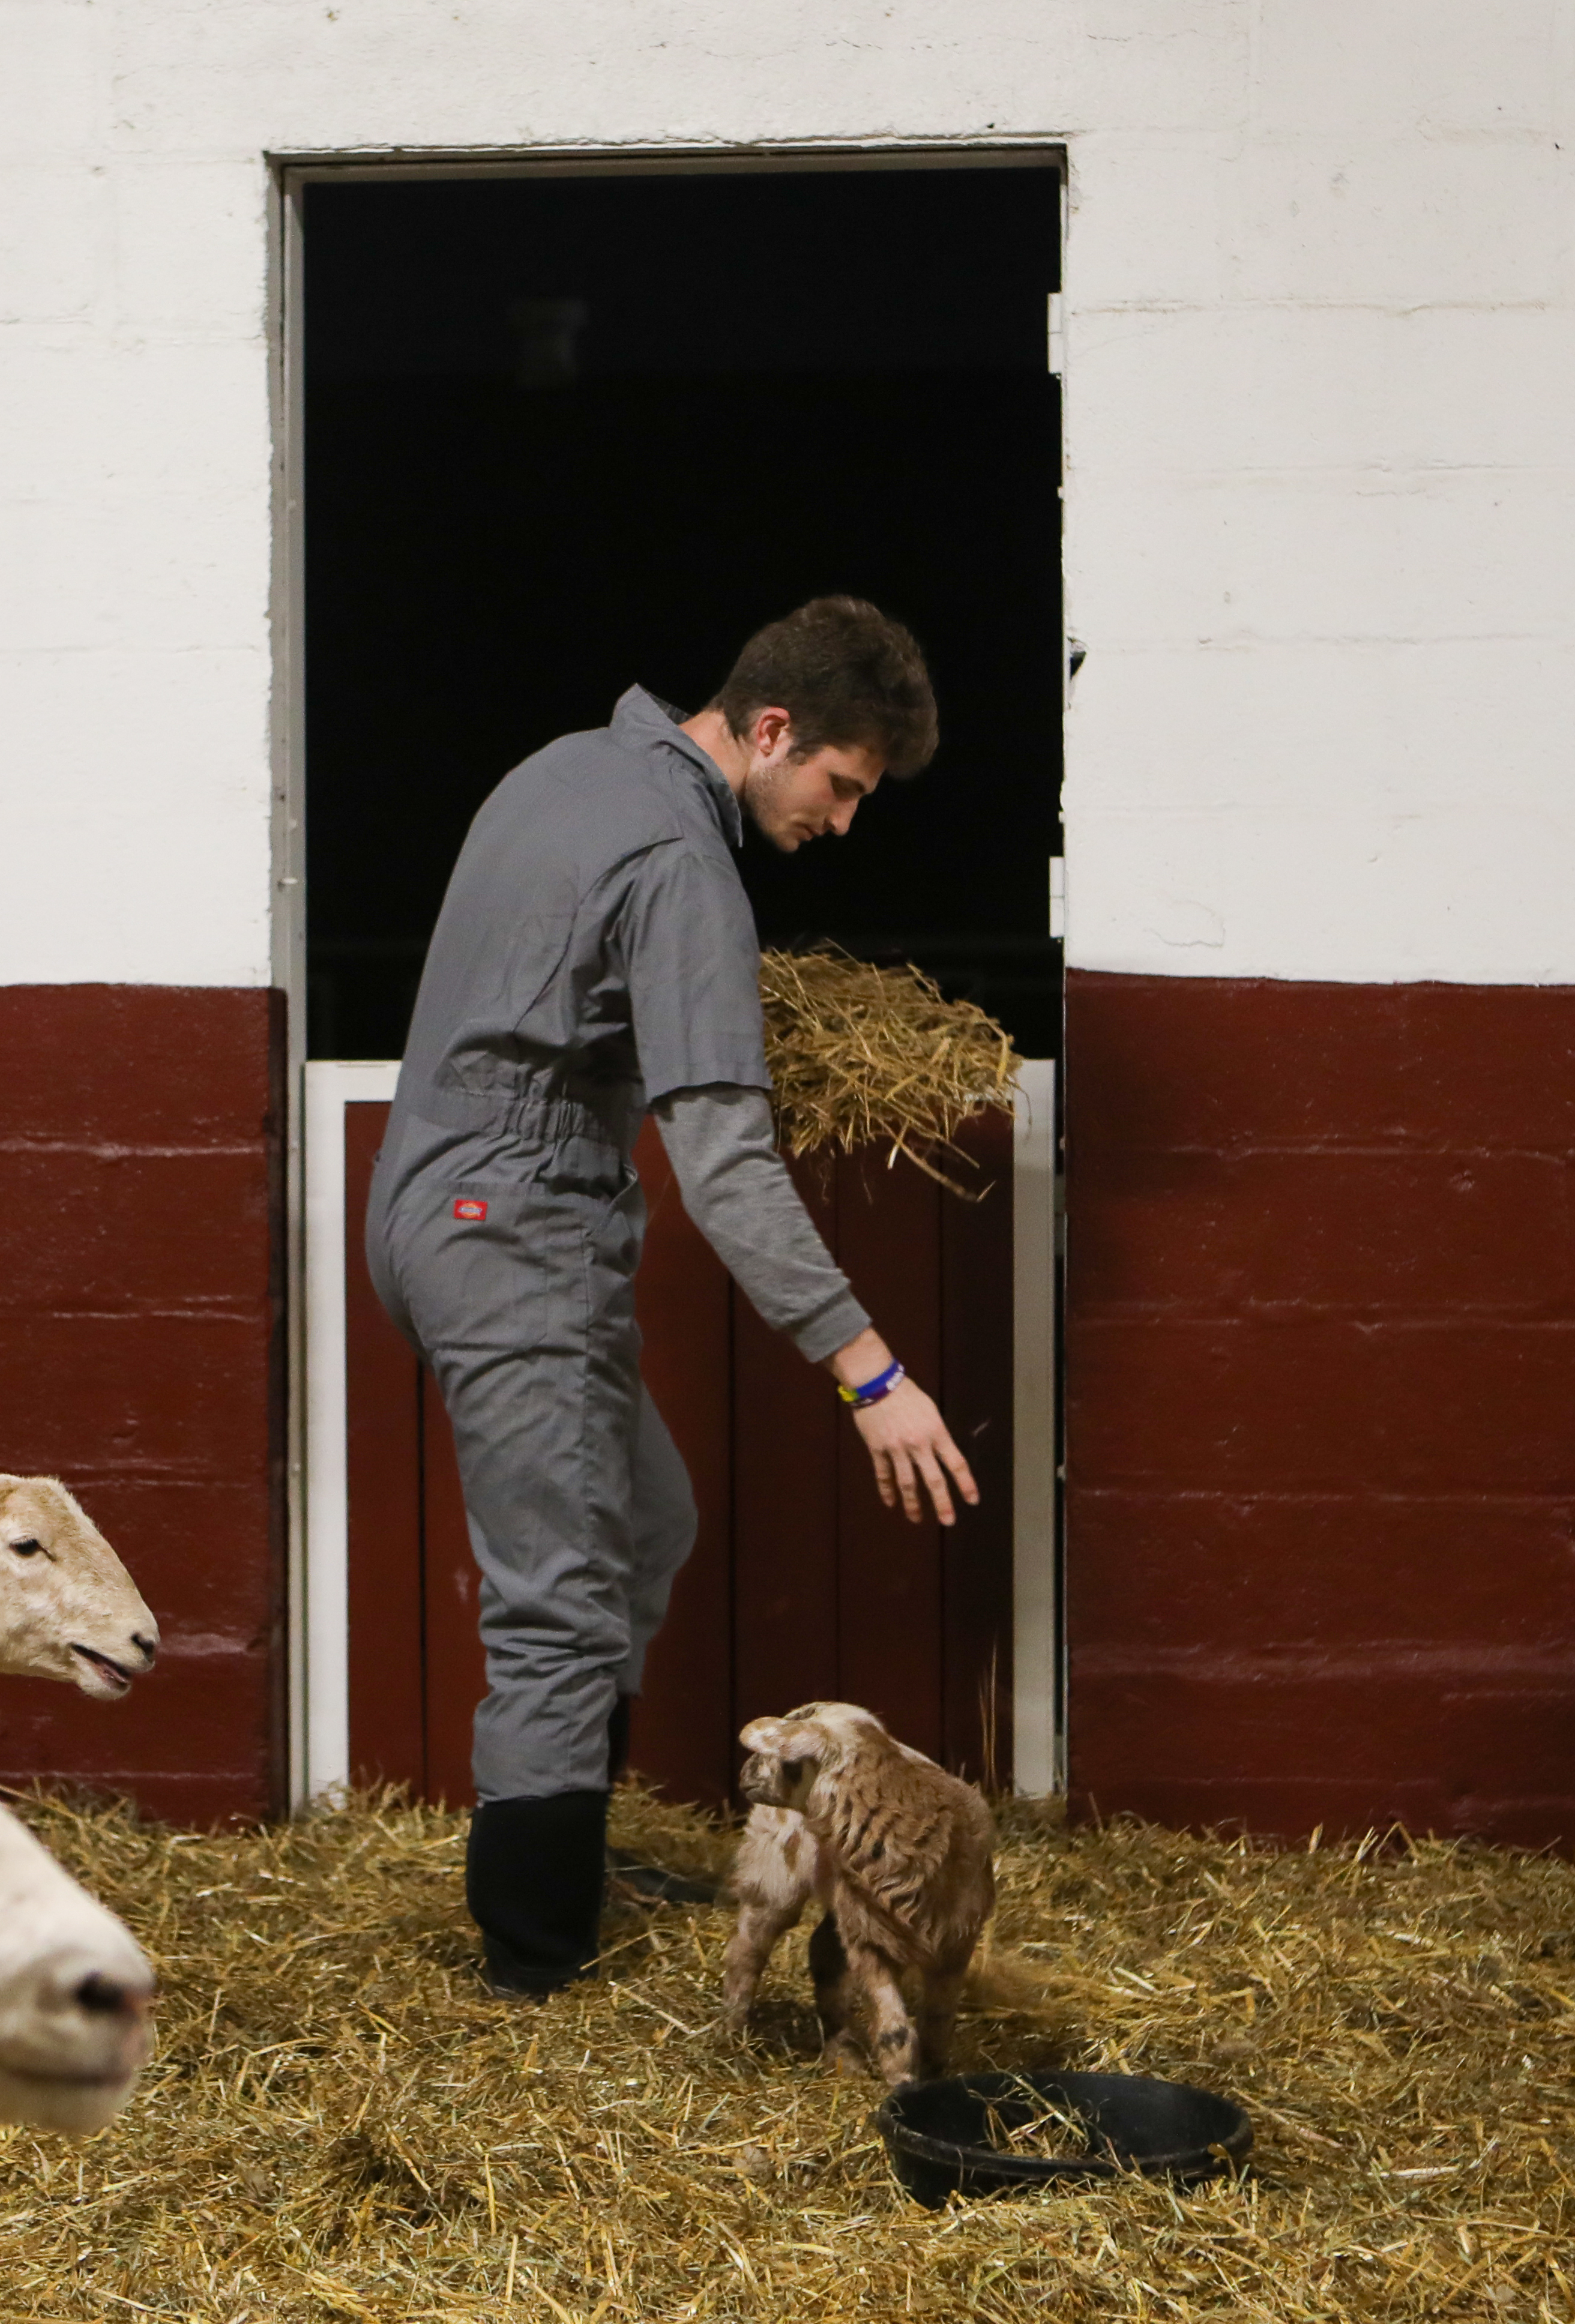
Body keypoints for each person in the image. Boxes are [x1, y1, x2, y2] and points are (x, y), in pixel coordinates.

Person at [365, 596, 980, 1997]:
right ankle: (533, 1960)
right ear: (771, 731)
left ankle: (569, 1846)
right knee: (560, 1603)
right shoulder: (682, 861)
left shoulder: (570, 766)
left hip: (427, 1199)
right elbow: (724, 1164)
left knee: (649, 1515)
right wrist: (870, 1375)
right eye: (837, 785)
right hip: (513, 1224)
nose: (841, 821)